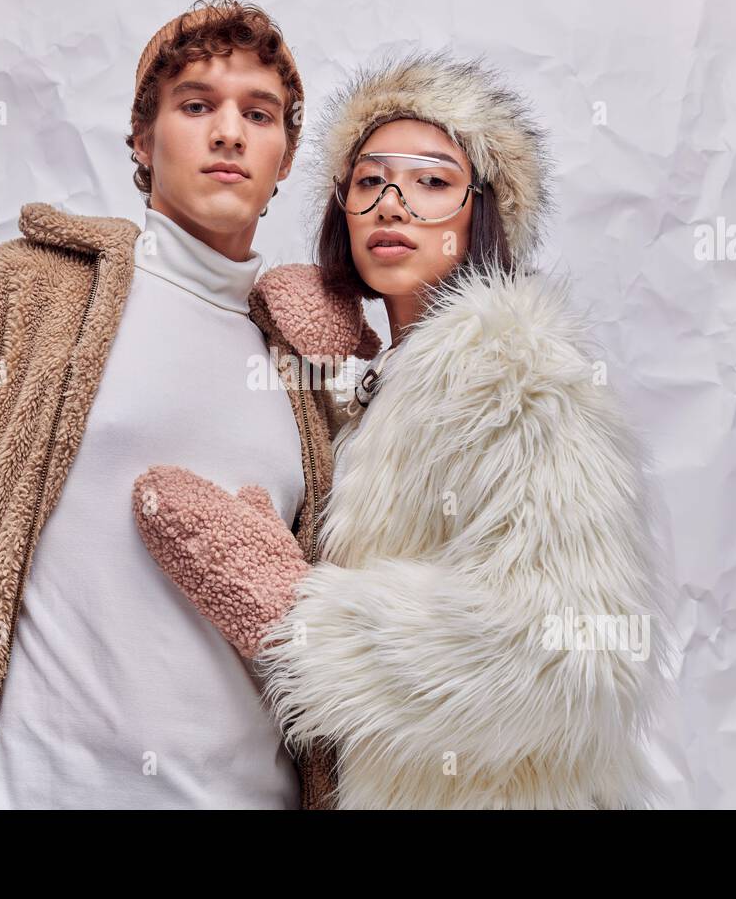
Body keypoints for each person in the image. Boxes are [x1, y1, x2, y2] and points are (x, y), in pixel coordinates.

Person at [0, 0, 376, 810]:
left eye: (260, 113)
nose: (228, 132)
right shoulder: (26, 297)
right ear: (142, 139)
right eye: (196, 105)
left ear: (285, 159)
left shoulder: (307, 375)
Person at [132, 49, 675, 808]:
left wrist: (294, 618)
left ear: (479, 213)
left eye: (431, 183)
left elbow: (580, 655)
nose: (393, 204)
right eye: (370, 182)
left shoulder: (514, 370)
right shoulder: (383, 383)